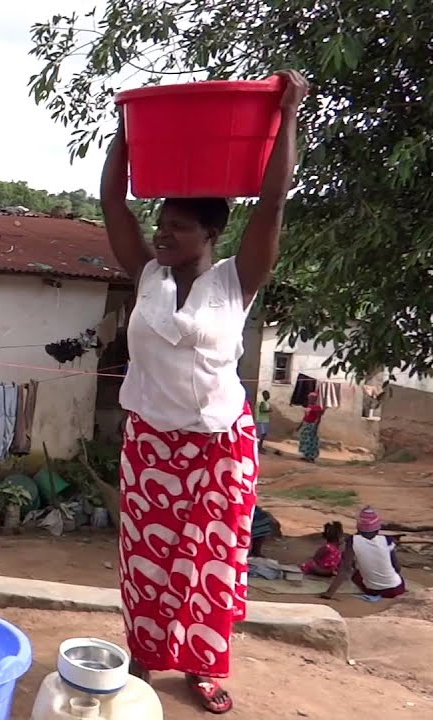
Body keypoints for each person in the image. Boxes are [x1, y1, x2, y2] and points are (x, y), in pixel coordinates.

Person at [102, 70, 309, 714]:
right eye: (161, 225)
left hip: (220, 444)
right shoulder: (146, 277)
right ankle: (144, 651)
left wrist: (289, 115)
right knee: (147, 557)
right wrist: (126, 132)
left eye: (178, 229)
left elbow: (272, 205)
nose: (162, 235)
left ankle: (203, 667)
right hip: (151, 442)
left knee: (209, 563)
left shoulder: (236, 281)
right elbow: (113, 204)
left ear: (211, 235)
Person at [322, 507, 406, 600]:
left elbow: (345, 569)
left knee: (356, 575)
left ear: (358, 527)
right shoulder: (387, 540)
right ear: (378, 527)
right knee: (396, 577)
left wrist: (329, 593)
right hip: (395, 590)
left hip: (372, 590)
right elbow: (397, 568)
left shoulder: (352, 541)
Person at [298, 391, 325, 463]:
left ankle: (311, 457)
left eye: (311, 398)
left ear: (315, 399)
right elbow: (305, 417)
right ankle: (306, 456)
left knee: (311, 441)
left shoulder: (317, 407)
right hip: (306, 425)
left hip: (312, 425)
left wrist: (315, 427)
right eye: (309, 398)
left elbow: (318, 418)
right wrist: (299, 426)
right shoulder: (309, 406)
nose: (309, 399)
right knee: (305, 440)